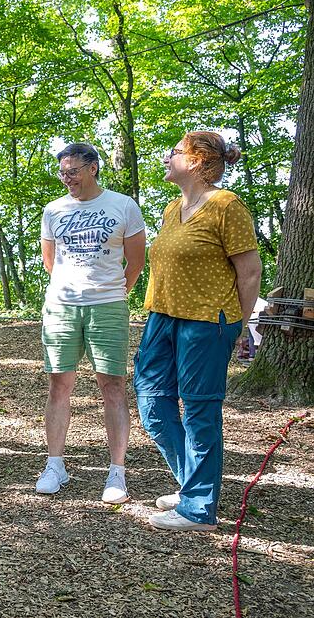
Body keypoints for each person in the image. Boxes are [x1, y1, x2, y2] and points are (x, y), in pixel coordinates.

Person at [136, 132, 261, 531]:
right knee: (152, 403)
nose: (166, 158)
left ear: (196, 161)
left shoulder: (226, 205)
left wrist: (239, 326)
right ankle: (194, 483)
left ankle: (198, 507)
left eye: (173, 152)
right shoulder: (174, 207)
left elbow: (250, 271)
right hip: (162, 317)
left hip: (209, 321)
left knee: (199, 411)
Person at [36, 143, 146, 504]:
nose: (66, 178)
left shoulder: (123, 206)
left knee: (112, 385)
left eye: (73, 171)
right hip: (61, 306)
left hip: (109, 307)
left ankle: (117, 471)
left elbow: (136, 263)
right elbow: (50, 262)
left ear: (93, 168)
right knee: (58, 383)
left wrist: (110, 292)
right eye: (62, 172)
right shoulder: (53, 210)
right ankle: (55, 465)